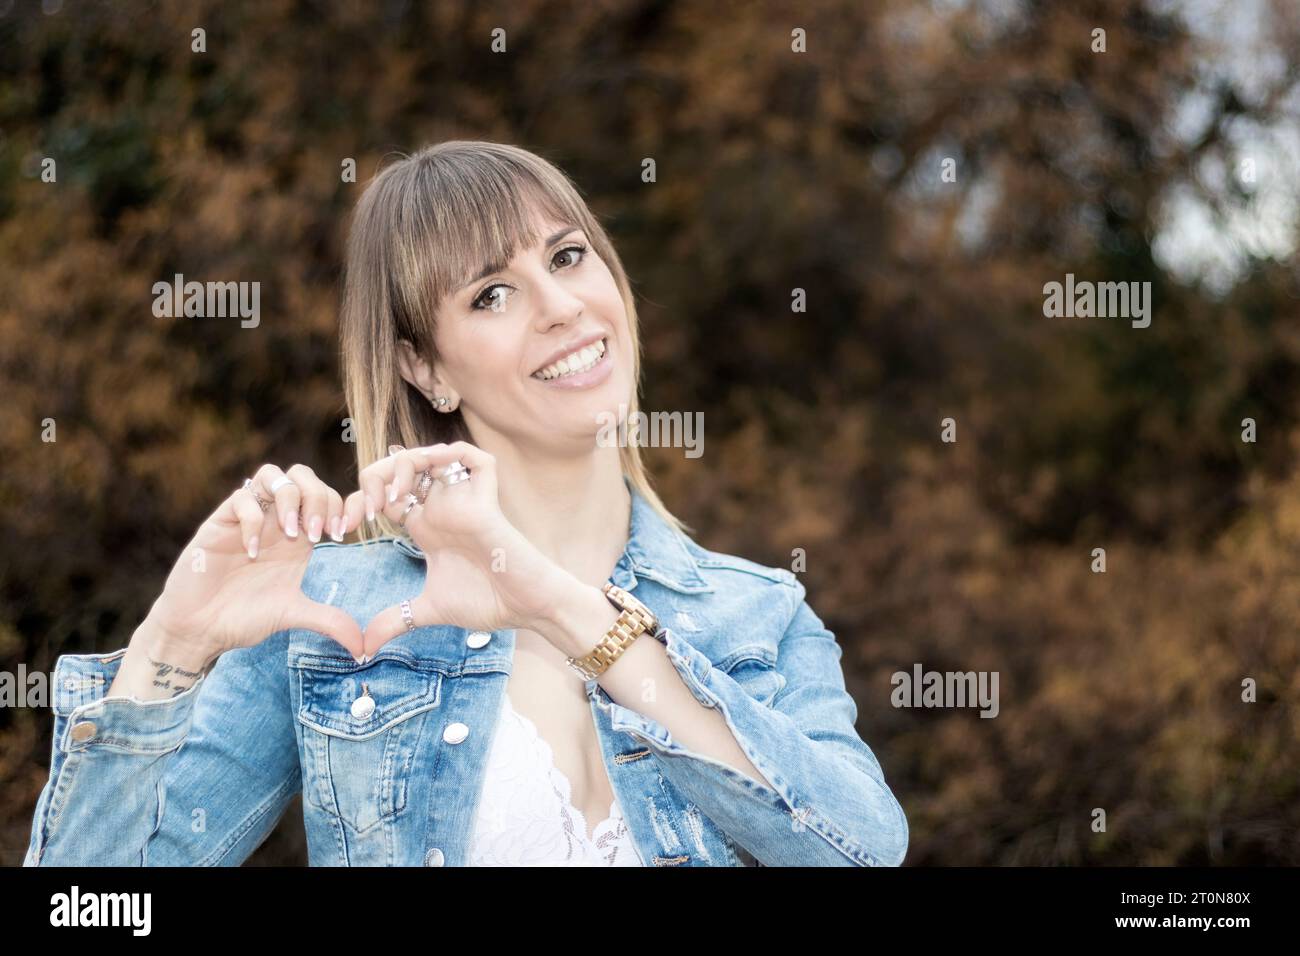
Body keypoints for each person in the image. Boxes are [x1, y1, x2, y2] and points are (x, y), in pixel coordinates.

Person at [23, 141, 908, 867]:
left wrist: (558, 606)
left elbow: (862, 850)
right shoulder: (331, 619)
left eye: (567, 256)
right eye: (492, 294)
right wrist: (167, 649)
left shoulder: (758, 613)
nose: (562, 308)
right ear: (426, 368)